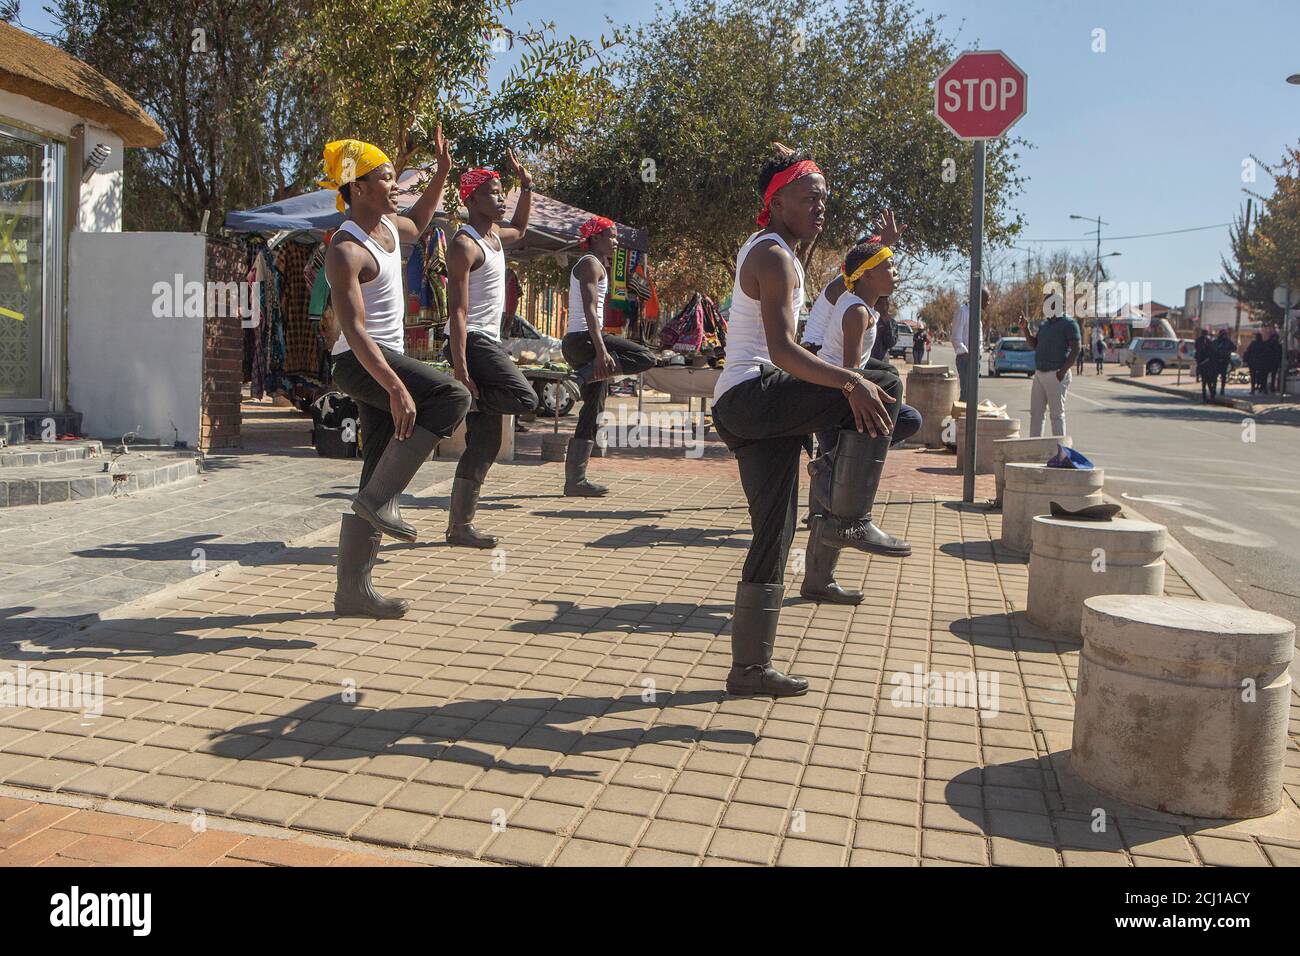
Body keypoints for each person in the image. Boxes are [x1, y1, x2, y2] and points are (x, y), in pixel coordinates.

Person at [710, 144, 909, 698]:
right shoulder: (772, 256)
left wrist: (878, 249)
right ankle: (847, 517)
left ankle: (748, 670)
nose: (821, 206)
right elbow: (782, 349)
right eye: (809, 197)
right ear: (776, 204)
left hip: (752, 410)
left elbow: (839, 284)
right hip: (753, 395)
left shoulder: (785, 253)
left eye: (825, 197)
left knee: (772, 535)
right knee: (882, 383)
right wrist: (849, 381)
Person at [322, 132, 472, 618]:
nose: (394, 185)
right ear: (357, 187)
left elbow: (423, 220)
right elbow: (355, 329)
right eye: (385, 177)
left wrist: (443, 173)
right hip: (358, 362)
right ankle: (383, 501)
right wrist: (395, 385)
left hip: (381, 361)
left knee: (373, 476)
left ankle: (352, 591)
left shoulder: (390, 229)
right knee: (451, 396)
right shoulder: (346, 249)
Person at [798, 238, 921, 605]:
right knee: (837, 500)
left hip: (840, 399)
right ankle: (819, 578)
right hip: (836, 402)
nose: (895, 272)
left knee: (903, 418)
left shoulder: (865, 307)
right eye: (889, 266)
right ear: (867, 275)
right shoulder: (856, 311)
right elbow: (850, 372)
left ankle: (830, 469)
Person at [443, 155, 541, 548]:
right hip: (473, 341)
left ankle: (459, 527)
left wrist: (528, 185)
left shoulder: (497, 237)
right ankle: (474, 403)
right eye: (493, 194)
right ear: (471, 200)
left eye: (502, 193)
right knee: (525, 396)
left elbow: (520, 226)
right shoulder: (464, 245)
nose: (501, 200)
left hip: (488, 342)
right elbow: (458, 312)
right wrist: (462, 368)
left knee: (484, 443)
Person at [560, 216, 658, 495]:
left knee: (593, 409)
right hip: (585, 340)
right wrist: (601, 351)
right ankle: (580, 376)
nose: (615, 241)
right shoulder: (590, 264)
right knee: (645, 357)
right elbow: (590, 311)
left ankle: (575, 481)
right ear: (595, 238)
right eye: (610, 236)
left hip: (583, 342)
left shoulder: (598, 264)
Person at [1023, 291, 1080, 437]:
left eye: (1047, 304)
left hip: (1056, 373)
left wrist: (1062, 372)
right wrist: (1025, 329)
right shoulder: (1045, 325)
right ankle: (1034, 449)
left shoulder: (1069, 323)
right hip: (1040, 374)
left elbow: (1076, 349)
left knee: (1056, 415)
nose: (1044, 307)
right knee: (1036, 414)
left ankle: (1059, 452)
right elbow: (1035, 344)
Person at [951, 288, 988, 402]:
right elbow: (956, 338)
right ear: (978, 298)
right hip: (966, 359)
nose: (988, 303)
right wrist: (967, 354)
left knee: (973, 396)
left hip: (975, 359)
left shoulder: (977, 314)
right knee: (966, 395)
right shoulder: (963, 311)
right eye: (987, 299)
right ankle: (963, 419)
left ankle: (969, 418)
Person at [1212, 328, 1234, 396]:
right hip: (1217, 361)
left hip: (1224, 361)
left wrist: (1227, 351)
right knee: (1215, 376)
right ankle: (1214, 389)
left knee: (1223, 377)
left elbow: (1234, 348)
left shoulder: (1228, 342)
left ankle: (1222, 390)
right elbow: (1212, 349)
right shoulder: (1216, 342)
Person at [1193, 328, 1213, 395]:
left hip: (1200, 360)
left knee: (1204, 378)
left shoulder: (1198, 340)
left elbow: (1196, 347)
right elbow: (1211, 350)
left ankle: (1205, 394)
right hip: (1206, 360)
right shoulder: (1208, 340)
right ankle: (1211, 394)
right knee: (1208, 379)